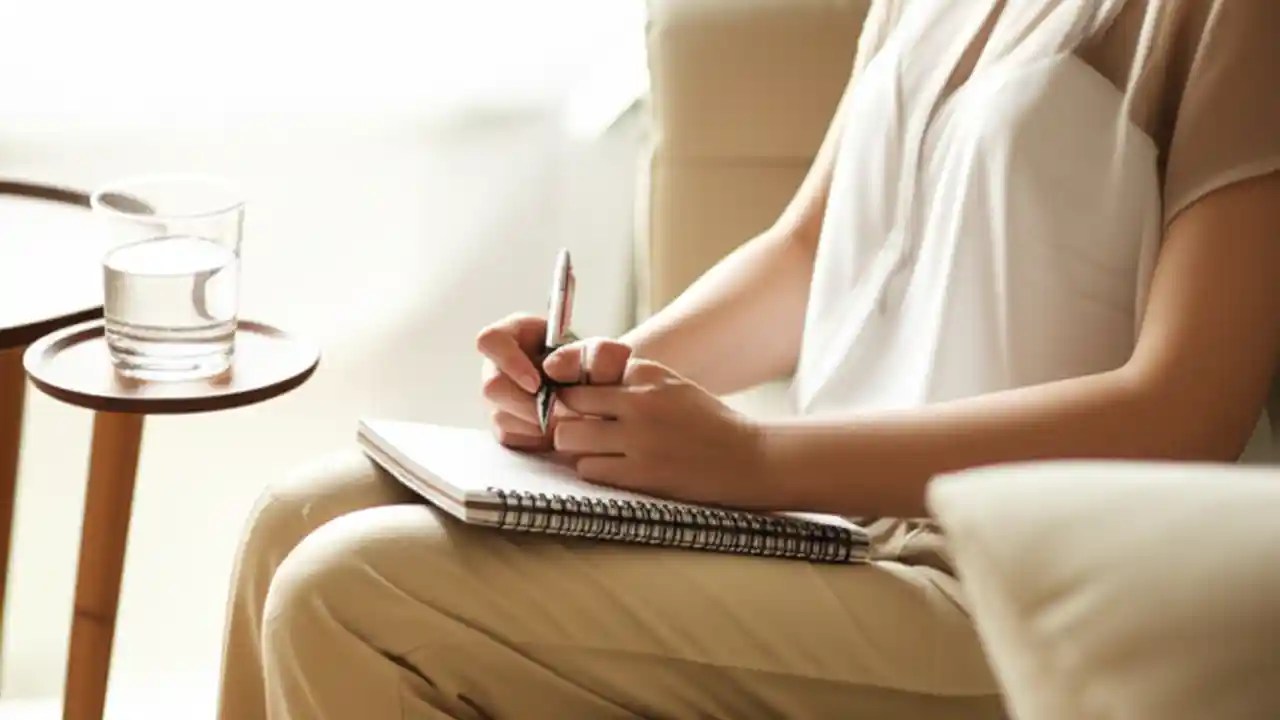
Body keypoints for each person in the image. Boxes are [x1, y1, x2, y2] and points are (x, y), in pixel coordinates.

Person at [218, 1, 1279, 718]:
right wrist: (599, 385)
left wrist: (759, 459)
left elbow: (1180, 412)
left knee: (347, 587)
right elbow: (811, 251)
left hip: (1014, 587)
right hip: (828, 533)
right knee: (294, 519)